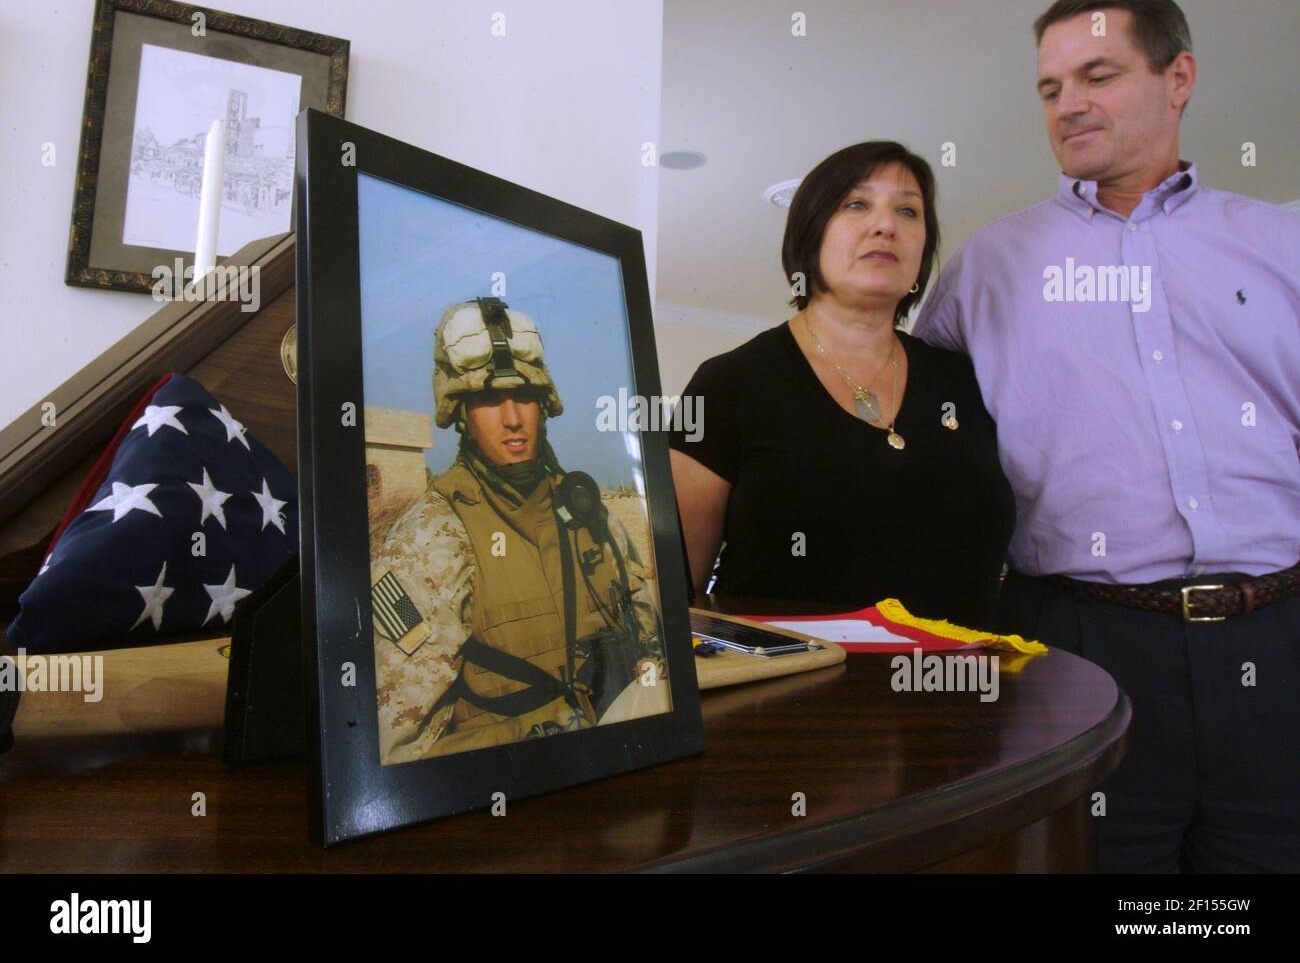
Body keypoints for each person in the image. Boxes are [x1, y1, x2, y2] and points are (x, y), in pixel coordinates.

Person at [913, 0, 1300, 872]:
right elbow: (923, 447)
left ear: (1179, 77)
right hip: (1081, 646)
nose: (1068, 105)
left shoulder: (1278, 245)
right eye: (1050, 89)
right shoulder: (985, 273)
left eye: (1097, 75)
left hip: (1277, 641)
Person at [669, 141, 1016, 629]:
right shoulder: (730, 382)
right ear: (810, 235)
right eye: (856, 204)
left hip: (967, 692)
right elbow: (672, 596)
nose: (886, 224)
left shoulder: (966, 380)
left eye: (908, 211)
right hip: (790, 697)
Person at [370, 297, 664, 765]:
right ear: (461, 413)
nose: (512, 418)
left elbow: (650, 635)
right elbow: (399, 753)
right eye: (489, 399)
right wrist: (542, 739)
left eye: (524, 396)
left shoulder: (589, 514)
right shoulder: (430, 541)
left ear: (543, 404)